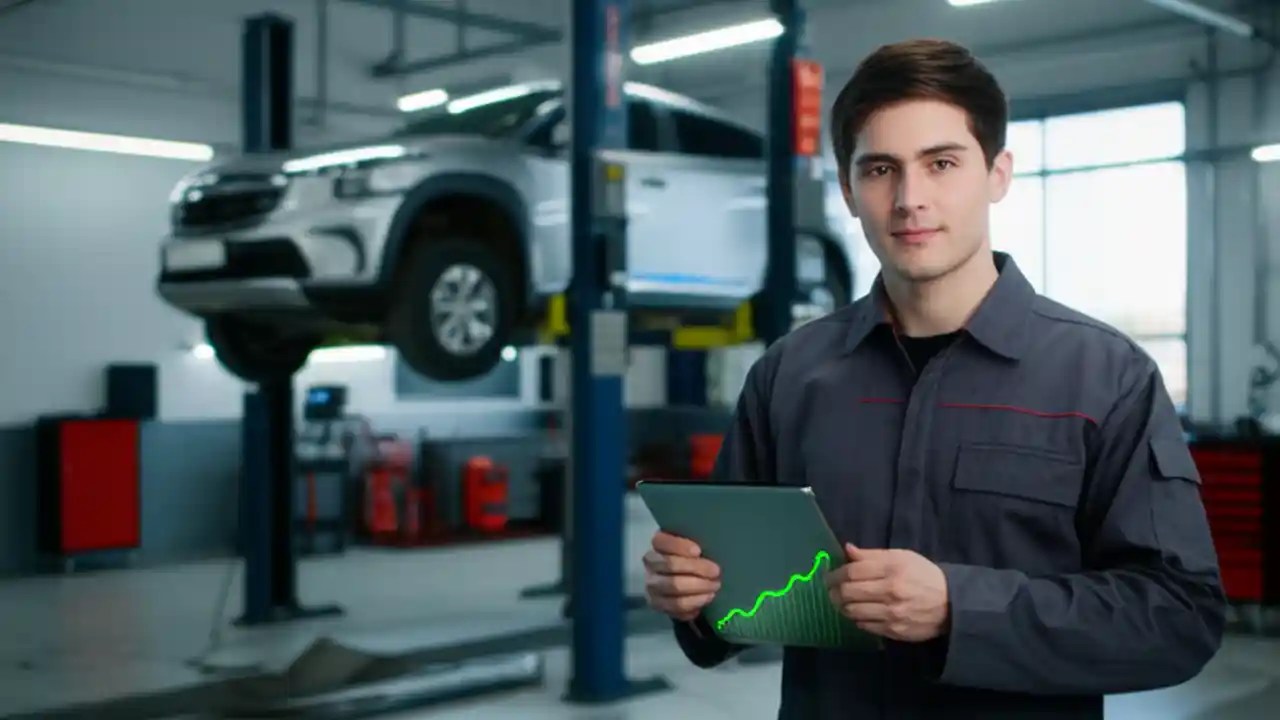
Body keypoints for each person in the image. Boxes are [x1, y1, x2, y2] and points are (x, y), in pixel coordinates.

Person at [642, 37, 1225, 719]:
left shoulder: (1105, 378)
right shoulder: (790, 375)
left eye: (941, 163)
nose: (909, 199)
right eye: (880, 169)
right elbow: (732, 591)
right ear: (848, 190)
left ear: (997, 174)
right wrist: (692, 595)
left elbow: (1178, 616)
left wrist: (958, 607)